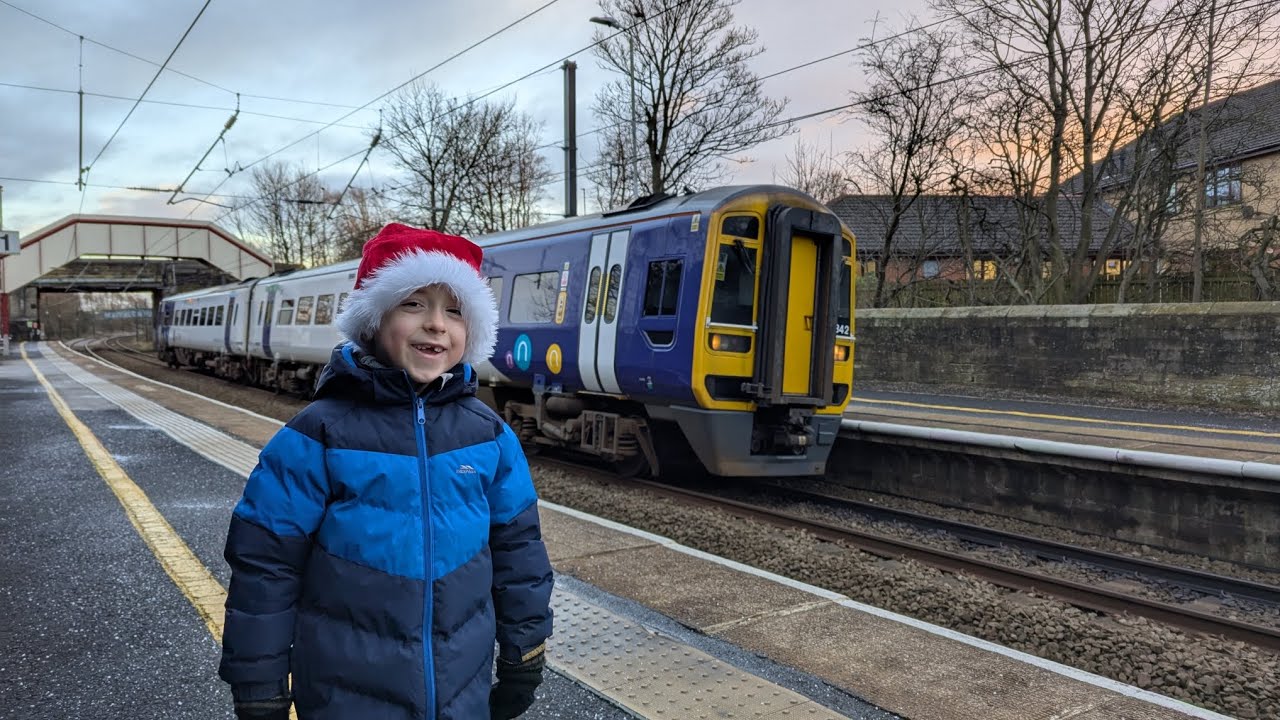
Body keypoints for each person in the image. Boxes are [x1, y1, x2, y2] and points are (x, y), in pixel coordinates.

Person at [218, 223, 555, 720]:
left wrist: (525, 651)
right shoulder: (316, 437)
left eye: (456, 310)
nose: (438, 324)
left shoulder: (490, 437)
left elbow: (519, 551)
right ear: (372, 320)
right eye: (413, 303)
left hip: (462, 691)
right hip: (344, 697)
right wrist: (259, 682)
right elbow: (266, 568)